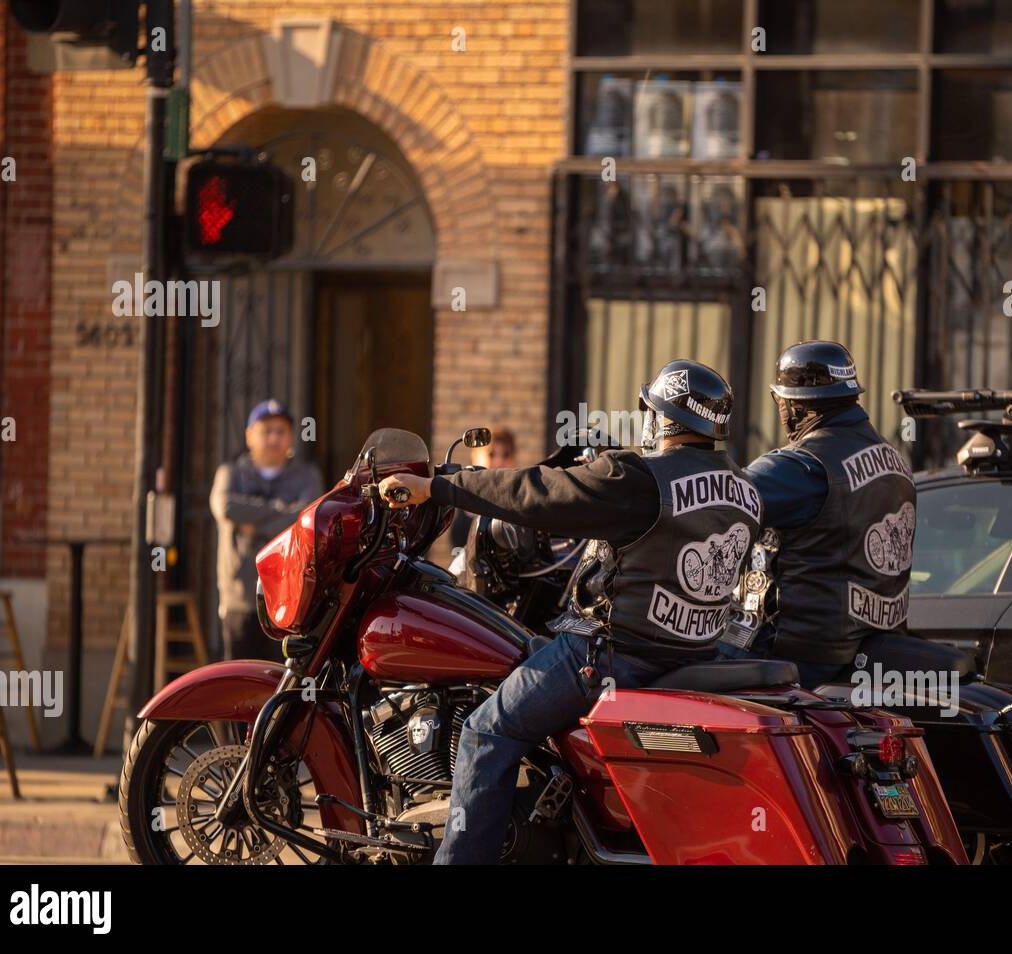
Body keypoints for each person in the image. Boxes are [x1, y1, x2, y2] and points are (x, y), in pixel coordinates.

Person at [378, 360, 761, 864]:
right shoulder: (745, 489)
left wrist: (440, 485)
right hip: (692, 653)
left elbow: (538, 493)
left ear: (663, 419)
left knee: (486, 730)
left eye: (648, 409)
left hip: (610, 655)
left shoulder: (640, 478)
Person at [719, 341, 915, 687]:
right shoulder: (895, 463)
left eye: (779, 401)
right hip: (866, 645)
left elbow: (712, 504)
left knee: (667, 679)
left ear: (793, 407)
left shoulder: (802, 466)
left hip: (795, 652)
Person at [209, 400, 323, 660]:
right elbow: (226, 507)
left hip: (290, 600)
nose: (273, 438)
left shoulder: (307, 475)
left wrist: (253, 522)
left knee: (281, 680)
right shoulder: (231, 473)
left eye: (281, 431)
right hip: (241, 597)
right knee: (240, 682)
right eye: (266, 430)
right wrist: (284, 515)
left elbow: (308, 516)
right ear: (249, 436)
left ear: (291, 437)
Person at [448, 427, 517, 550]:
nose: (499, 461)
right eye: (491, 454)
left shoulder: (518, 498)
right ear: (475, 456)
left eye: (506, 454)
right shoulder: (462, 493)